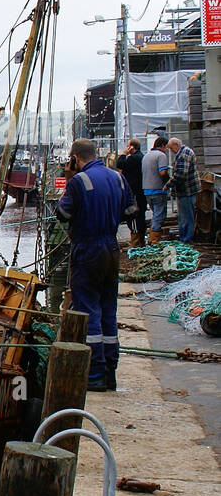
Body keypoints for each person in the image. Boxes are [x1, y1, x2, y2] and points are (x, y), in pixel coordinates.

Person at [57, 138, 137, 392]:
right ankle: (110, 370)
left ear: (75, 158)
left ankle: (94, 374)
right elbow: (131, 211)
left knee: (88, 308)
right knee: (108, 306)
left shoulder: (79, 181)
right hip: (111, 248)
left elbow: (63, 214)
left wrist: (69, 179)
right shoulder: (118, 178)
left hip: (88, 248)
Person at [166, 137, 200, 244]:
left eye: (171, 148)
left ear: (176, 145)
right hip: (185, 190)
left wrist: (168, 184)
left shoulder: (183, 154)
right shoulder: (184, 152)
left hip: (187, 190)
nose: (171, 151)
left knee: (186, 217)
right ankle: (184, 238)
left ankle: (186, 239)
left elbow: (181, 174)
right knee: (184, 216)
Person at [141, 135, 172, 243]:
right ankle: (154, 239)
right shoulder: (161, 156)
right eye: (167, 147)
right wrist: (169, 182)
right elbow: (163, 172)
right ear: (163, 145)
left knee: (155, 213)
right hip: (158, 189)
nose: (167, 150)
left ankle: (153, 236)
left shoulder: (146, 156)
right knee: (159, 214)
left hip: (147, 189)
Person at [116, 139, 146, 247]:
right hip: (139, 189)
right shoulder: (140, 156)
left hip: (134, 190)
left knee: (134, 216)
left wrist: (124, 154)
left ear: (132, 147)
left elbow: (120, 164)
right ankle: (140, 240)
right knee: (140, 215)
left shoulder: (134, 158)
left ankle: (136, 242)